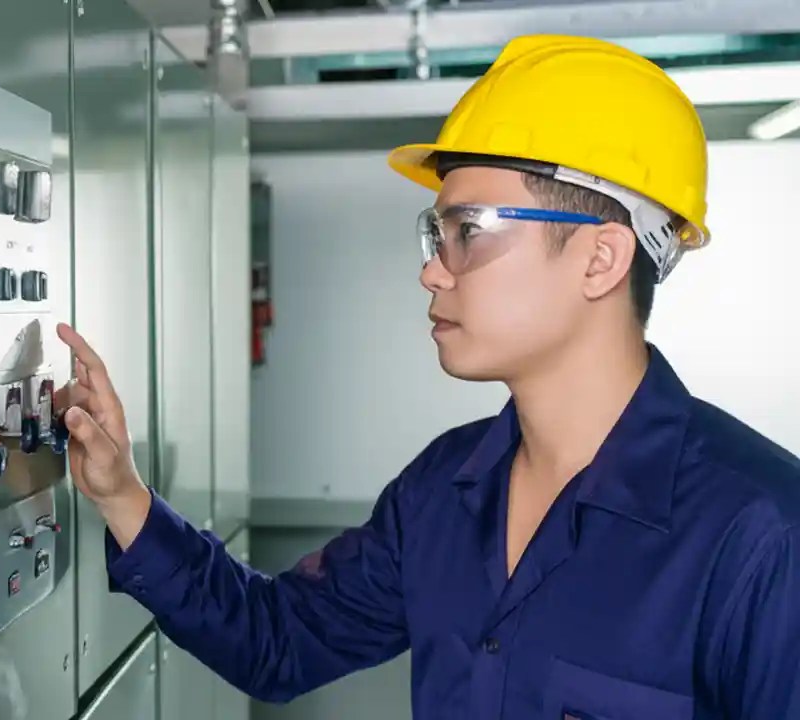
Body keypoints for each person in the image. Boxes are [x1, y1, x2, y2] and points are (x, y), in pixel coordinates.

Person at [52, 34, 800, 719]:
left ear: (600, 259)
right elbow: (277, 640)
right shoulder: (442, 489)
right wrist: (122, 493)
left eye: (468, 234)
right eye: (436, 234)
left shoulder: (762, 534)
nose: (431, 270)